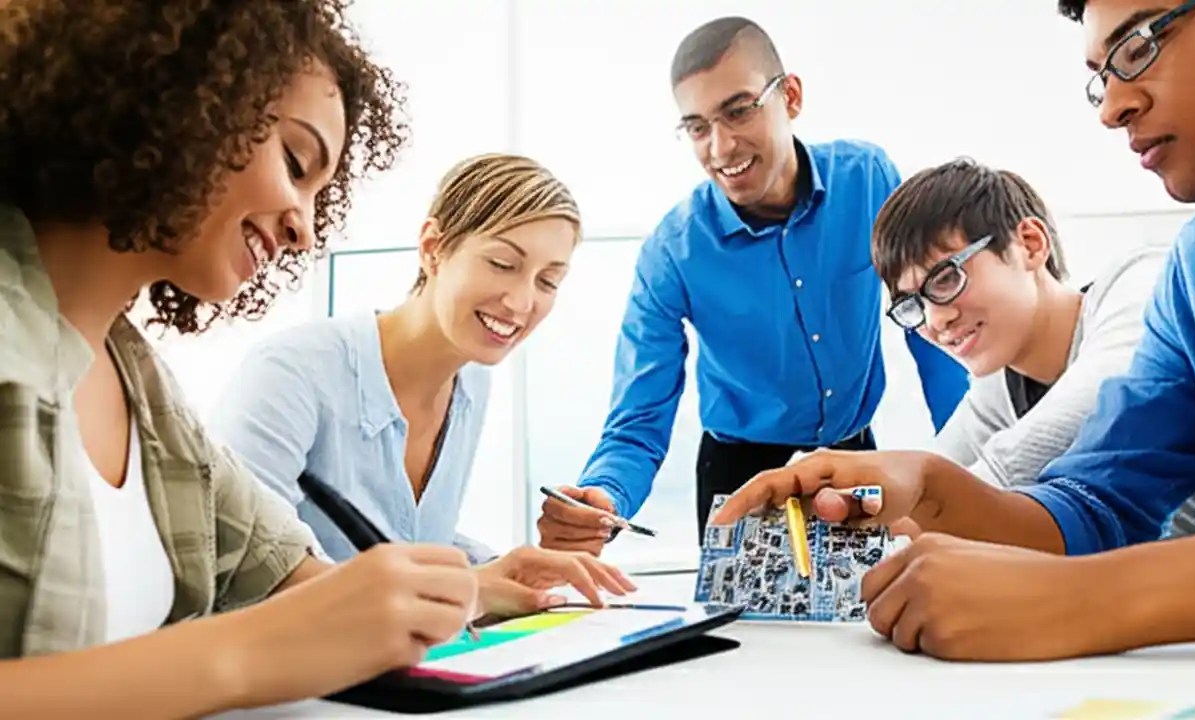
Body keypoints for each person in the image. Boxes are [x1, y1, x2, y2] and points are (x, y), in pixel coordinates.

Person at [0, 2, 614, 715]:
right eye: (295, 162)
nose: (303, 227)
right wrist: (245, 655)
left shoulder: (152, 403)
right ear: (177, 104)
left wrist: (477, 588)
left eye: (549, 280)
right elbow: (279, 629)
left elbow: (294, 579)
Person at [710, 0, 1195, 662]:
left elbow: (1071, 538)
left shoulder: (1141, 282)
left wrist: (1082, 599)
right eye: (1101, 77)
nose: (1111, 108)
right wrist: (927, 486)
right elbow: (1096, 508)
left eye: (1139, 48)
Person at [536, 16, 969, 553]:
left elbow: (932, 332)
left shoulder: (869, 178)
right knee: (746, 637)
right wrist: (605, 495)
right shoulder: (672, 251)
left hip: (854, 459)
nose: (720, 147)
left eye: (738, 111)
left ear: (790, 96)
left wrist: (974, 466)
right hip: (737, 474)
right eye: (697, 126)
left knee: (869, 627)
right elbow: (639, 416)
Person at [212, 153, 635, 612]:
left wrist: (521, 567)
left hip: (396, 668)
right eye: (501, 263)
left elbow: (404, 540)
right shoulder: (291, 373)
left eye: (548, 280)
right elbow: (234, 570)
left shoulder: (469, 381)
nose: (521, 301)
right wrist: (467, 589)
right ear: (433, 247)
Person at [875, 157, 1195, 534]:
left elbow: (1100, 403)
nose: (935, 320)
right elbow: (933, 472)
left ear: (1030, 244)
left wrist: (932, 502)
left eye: (945, 279)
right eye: (912, 306)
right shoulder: (999, 390)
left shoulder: (1139, 287)